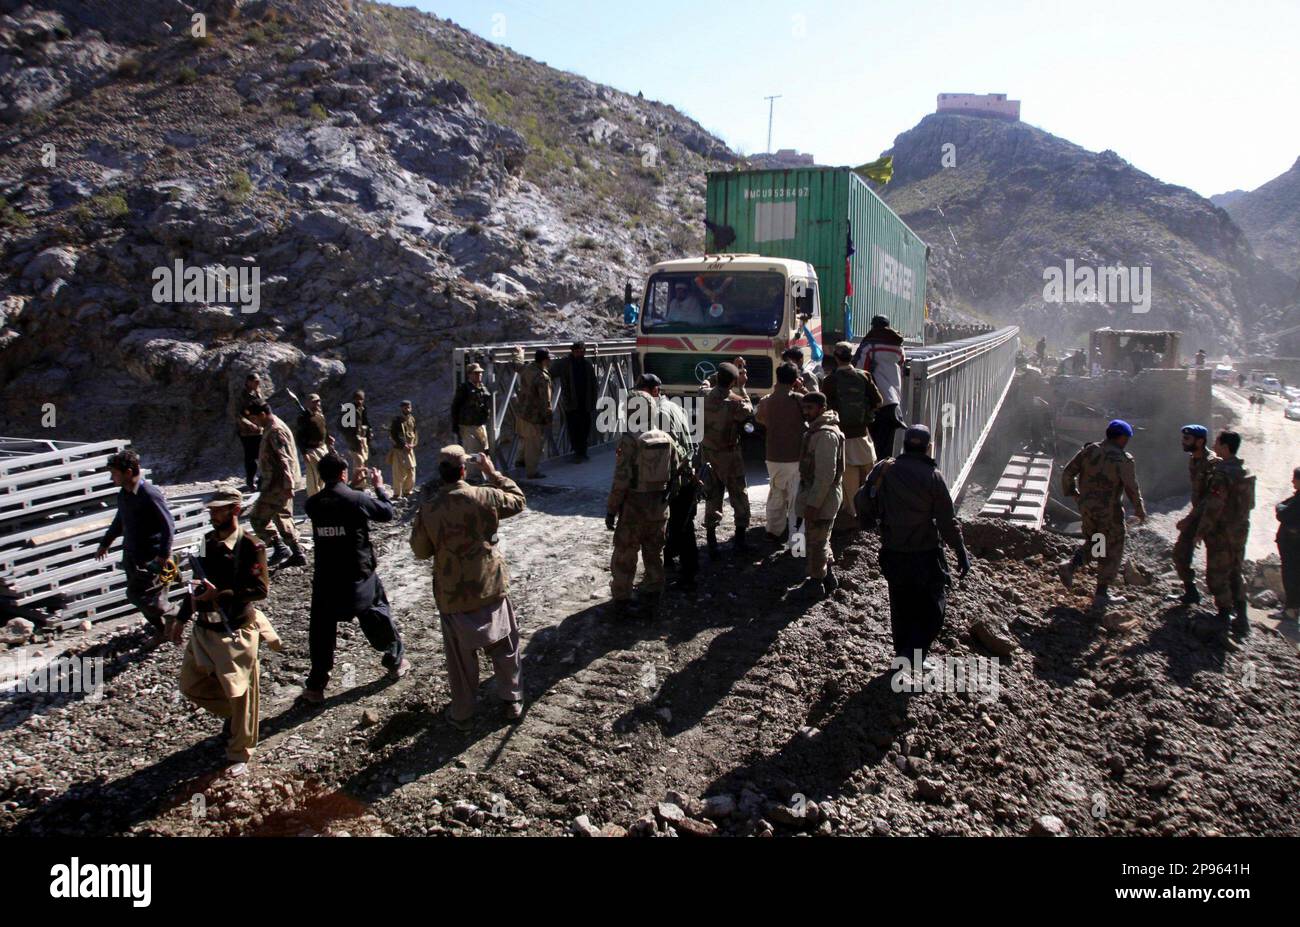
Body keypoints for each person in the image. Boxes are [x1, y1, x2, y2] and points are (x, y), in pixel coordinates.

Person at [410, 446, 527, 730]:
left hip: (453, 593)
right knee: (505, 645)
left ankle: (462, 712)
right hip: (489, 584)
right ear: (465, 470)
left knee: (460, 660)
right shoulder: (485, 495)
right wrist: (491, 472)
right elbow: (519, 500)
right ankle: (512, 699)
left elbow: (420, 550)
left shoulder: (429, 508)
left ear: (441, 473)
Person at [169, 489, 279, 776]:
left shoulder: (250, 546)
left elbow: (259, 590)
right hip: (205, 628)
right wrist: (181, 618)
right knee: (191, 685)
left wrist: (223, 594)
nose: (213, 515)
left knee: (242, 693)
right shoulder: (207, 542)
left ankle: (240, 750)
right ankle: (237, 718)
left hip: (235, 631)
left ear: (235, 510)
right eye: (211, 510)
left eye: (218, 510)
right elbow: (197, 584)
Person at [300, 454, 409, 703]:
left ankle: (315, 687)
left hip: (326, 577)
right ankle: (395, 660)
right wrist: (379, 487)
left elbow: (340, 505)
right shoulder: (356, 499)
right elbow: (386, 513)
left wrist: (354, 488)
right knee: (378, 615)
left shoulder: (313, 504)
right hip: (357, 575)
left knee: (321, 632)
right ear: (343, 474)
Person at [869, 425, 970, 663]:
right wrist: (960, 550)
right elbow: (947, 521)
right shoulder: (933, 476)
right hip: (924, 553)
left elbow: (865, 501)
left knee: (901, 606)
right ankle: (912, 653)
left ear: (904, 444)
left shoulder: (885, 470)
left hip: (892, 551)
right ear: (928, 447)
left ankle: (903, 657)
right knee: (934, 606)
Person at [605, 391, 686, 618]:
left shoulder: (629, 441)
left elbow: (620, 480)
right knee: (654, 553)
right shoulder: (666, 438)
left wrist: (612, 509)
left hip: (633, 507)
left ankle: (622, 601)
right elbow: (676, 476)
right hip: (659, 507)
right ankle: (653, 596)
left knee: (625, 554)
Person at [1057, 420, 1147, 613]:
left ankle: (1071, 566)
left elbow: (1067, 473)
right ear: (1122, 438)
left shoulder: (1089, 451)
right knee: (1113, 548)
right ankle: (1102, 593)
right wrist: (1139, 509)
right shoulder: (1123, 459)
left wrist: (1074, 495)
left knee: (1097, 542)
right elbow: (1131, 488)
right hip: (1109, 513)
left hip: (1088, 509)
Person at [95, 450, 177, 639]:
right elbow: (119, 520)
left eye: (114, 473)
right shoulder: (124, 494)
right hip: (132, 555)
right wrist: (105, 543)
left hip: (151, 557)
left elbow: (168, 525)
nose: (111, 478)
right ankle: (161, 630)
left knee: (142, 596)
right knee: (139, 597)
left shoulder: (149, 494)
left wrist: (163, 556)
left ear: (129, 472)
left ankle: (173, 614)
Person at [637, 375, 700, 590]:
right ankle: (684, 569)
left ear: (654, 391)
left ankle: (687, 574)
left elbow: (667, 452)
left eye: (642, 391)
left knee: (678, 527)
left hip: (677, 478)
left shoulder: (659, 414)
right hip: (686, 475)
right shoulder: (674, 406)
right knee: (683, 525)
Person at [1196, 432, 1255, 638]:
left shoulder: (1222, 474)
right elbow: (1250, 505)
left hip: (1221, 532)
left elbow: (1214, 506)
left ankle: (1223, 615)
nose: (1214, 445)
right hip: (1240, 530)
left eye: (1218, 442)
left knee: (1217, 573)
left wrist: (1200, 531)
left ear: (1225, 446)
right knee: (1235, 571)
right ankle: (1242, 617)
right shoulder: (1245, 471)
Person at [824, 341, 882, 531]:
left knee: (849, 484)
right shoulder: (864, 376)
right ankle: (871, 517)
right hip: (863, 436)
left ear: (836, 357)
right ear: (852, 356)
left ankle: (852, 518)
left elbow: (825, 408)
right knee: (869, 478)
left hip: (843, 438)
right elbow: (878, 401)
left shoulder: (830, 381)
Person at [244, 401, 307, 569]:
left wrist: (288, 485)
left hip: (277, 485)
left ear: (262, 414)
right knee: (281, 517)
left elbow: (285, 458)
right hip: (277, 483)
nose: (254, 422)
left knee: (257, 518)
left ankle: (280, 547)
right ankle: (296, 552)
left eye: (254, 418)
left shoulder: (275, 430)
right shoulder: (272, 428)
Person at [702, 361, 753, 558]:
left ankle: (711, 541)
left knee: (712, 495)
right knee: (739, 495)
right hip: (730, 454)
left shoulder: (704, 396)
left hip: (708, 454)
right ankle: (740, 540)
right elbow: (749, 409)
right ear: (732, 382)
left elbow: (704, 386)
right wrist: (742, 385)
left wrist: (714, 379)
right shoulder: (736, 402)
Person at [795, 392, 844, 598]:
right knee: (822, 538)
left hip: (822, 497)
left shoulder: (825, 435)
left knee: (816, 542)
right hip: (819, 495)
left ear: (821, 409)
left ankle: (815, 584)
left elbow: (825, 475)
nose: (806, 412)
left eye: (810, 408)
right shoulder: (818, 430)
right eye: (804, 408)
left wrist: (813, 504)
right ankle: (828, 577)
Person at [755, 363, 806, 544]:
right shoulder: (800, 400)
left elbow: (759, 419)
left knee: (776, 494)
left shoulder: (766, 401)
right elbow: (814, 413)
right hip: (796, 457)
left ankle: (773, 532)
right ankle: (796, 542)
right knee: (795, 501)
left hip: (773, 456)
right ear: (795, 380)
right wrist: (803, 389)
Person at [1172, 425, 1217, 605]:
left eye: (1188, 439)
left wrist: (1189, 518)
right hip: (1198, 514)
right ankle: (1191, 592)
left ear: (1200, 441)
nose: (1183, 442)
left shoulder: (1212, 463)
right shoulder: (1194, 460)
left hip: (1212, 517)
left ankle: (1230, 609)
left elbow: (1210, 498)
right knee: (1180, 553)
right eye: (1184, 438)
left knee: (1218, 563)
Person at [854, 315, 907, 461]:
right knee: (887, 447)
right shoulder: (898, 347)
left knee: (872, 445)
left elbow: (860, 370)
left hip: (875, 402)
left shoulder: (870, 347)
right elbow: (902, 364)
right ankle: (884, 476)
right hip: (893, 402)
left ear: (873, 327)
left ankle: (872, 478)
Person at [508, 346, 553, 479]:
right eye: (548, 359)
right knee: (534, 444)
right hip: (534, 416)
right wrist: (548, 418)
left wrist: (519, 352)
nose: (550, 361)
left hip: (522, 413)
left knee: (525, 439)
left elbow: (517, 365)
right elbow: (546, 401)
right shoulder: (542, 377)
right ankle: (532, 472)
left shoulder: (528, 368)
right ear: (544, 360)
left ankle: (520, 462)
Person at [551, 341, 598, 462]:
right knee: (574, 430)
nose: (579, 354)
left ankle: (583, 452)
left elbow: (594, 383)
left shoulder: (587, 365)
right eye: (576, 351)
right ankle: (578, 453)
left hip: (585, 403)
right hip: (572, 404)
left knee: (585, 428)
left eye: (581, 351)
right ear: (572, 351)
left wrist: (593, 401)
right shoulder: (565, 364)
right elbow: (551, 373)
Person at [451, 362, 493, 482]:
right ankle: (473, 478)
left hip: (480, 425)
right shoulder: (464, 389)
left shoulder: (482, 388)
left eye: (480, 373)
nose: (479, 375)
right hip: (467, 426)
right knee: (472, 452)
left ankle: (483, 476)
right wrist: (455, 425)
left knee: (484, 450)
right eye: (476, 373)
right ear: (469, 374)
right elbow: (455, 406)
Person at [295, 393, 332, 498]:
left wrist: (328, 437)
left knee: (323, 474)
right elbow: (299, 437)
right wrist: (304, 452)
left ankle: (322, 495)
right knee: (313, 476)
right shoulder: (303, 418)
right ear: (308, 403)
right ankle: (314, 498)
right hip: (311, 450)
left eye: (318, 401)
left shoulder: (320, 414)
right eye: (314, 402)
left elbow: (324, 428)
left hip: (322, 447)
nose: (317, 403)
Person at [1276, 467, 1300, 621]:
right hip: (1292, 545)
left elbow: (1283, 512)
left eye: (1295, 478)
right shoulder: (1296, 498)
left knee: (1291, 576)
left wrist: (1280, 508)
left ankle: (1291, 609)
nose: (1292, 481)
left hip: (1293, 546)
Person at [235, 373, 264, 492]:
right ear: (248, 382)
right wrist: (250, 424)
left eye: (258, 382)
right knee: (251, 458)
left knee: (263, 455)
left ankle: (262, 480)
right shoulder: (242, 396)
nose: (258, 384)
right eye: (255, 382)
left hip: (260, 430)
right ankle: (250, 481)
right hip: (247, 432)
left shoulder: (259, 394)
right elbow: (237, 415)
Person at [387, 400, 419, 499]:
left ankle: (407, 491)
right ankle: (397, 493)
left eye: (409, 407)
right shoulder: (397, 420)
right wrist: (403, 444)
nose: (407, 409)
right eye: (405, 407)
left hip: (410, 449)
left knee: (411, 470)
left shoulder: (412, 419)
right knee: (398, 471)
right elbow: (393, 435)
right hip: (399, 449)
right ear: (401, 408)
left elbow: (415, 433)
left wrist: (413, 444)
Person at [338, 390, 372, 474]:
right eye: (357, 399)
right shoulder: (349, 409)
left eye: (361, 399)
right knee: (358, 460)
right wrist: (352, 436)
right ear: (354, 399)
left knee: (363, 459)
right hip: (353, 439)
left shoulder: (363, 408)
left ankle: (362, 481)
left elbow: (366, 422)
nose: (359, 401)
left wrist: (368, 432)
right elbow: (342, 426)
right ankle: (358, 482)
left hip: (362, 438)